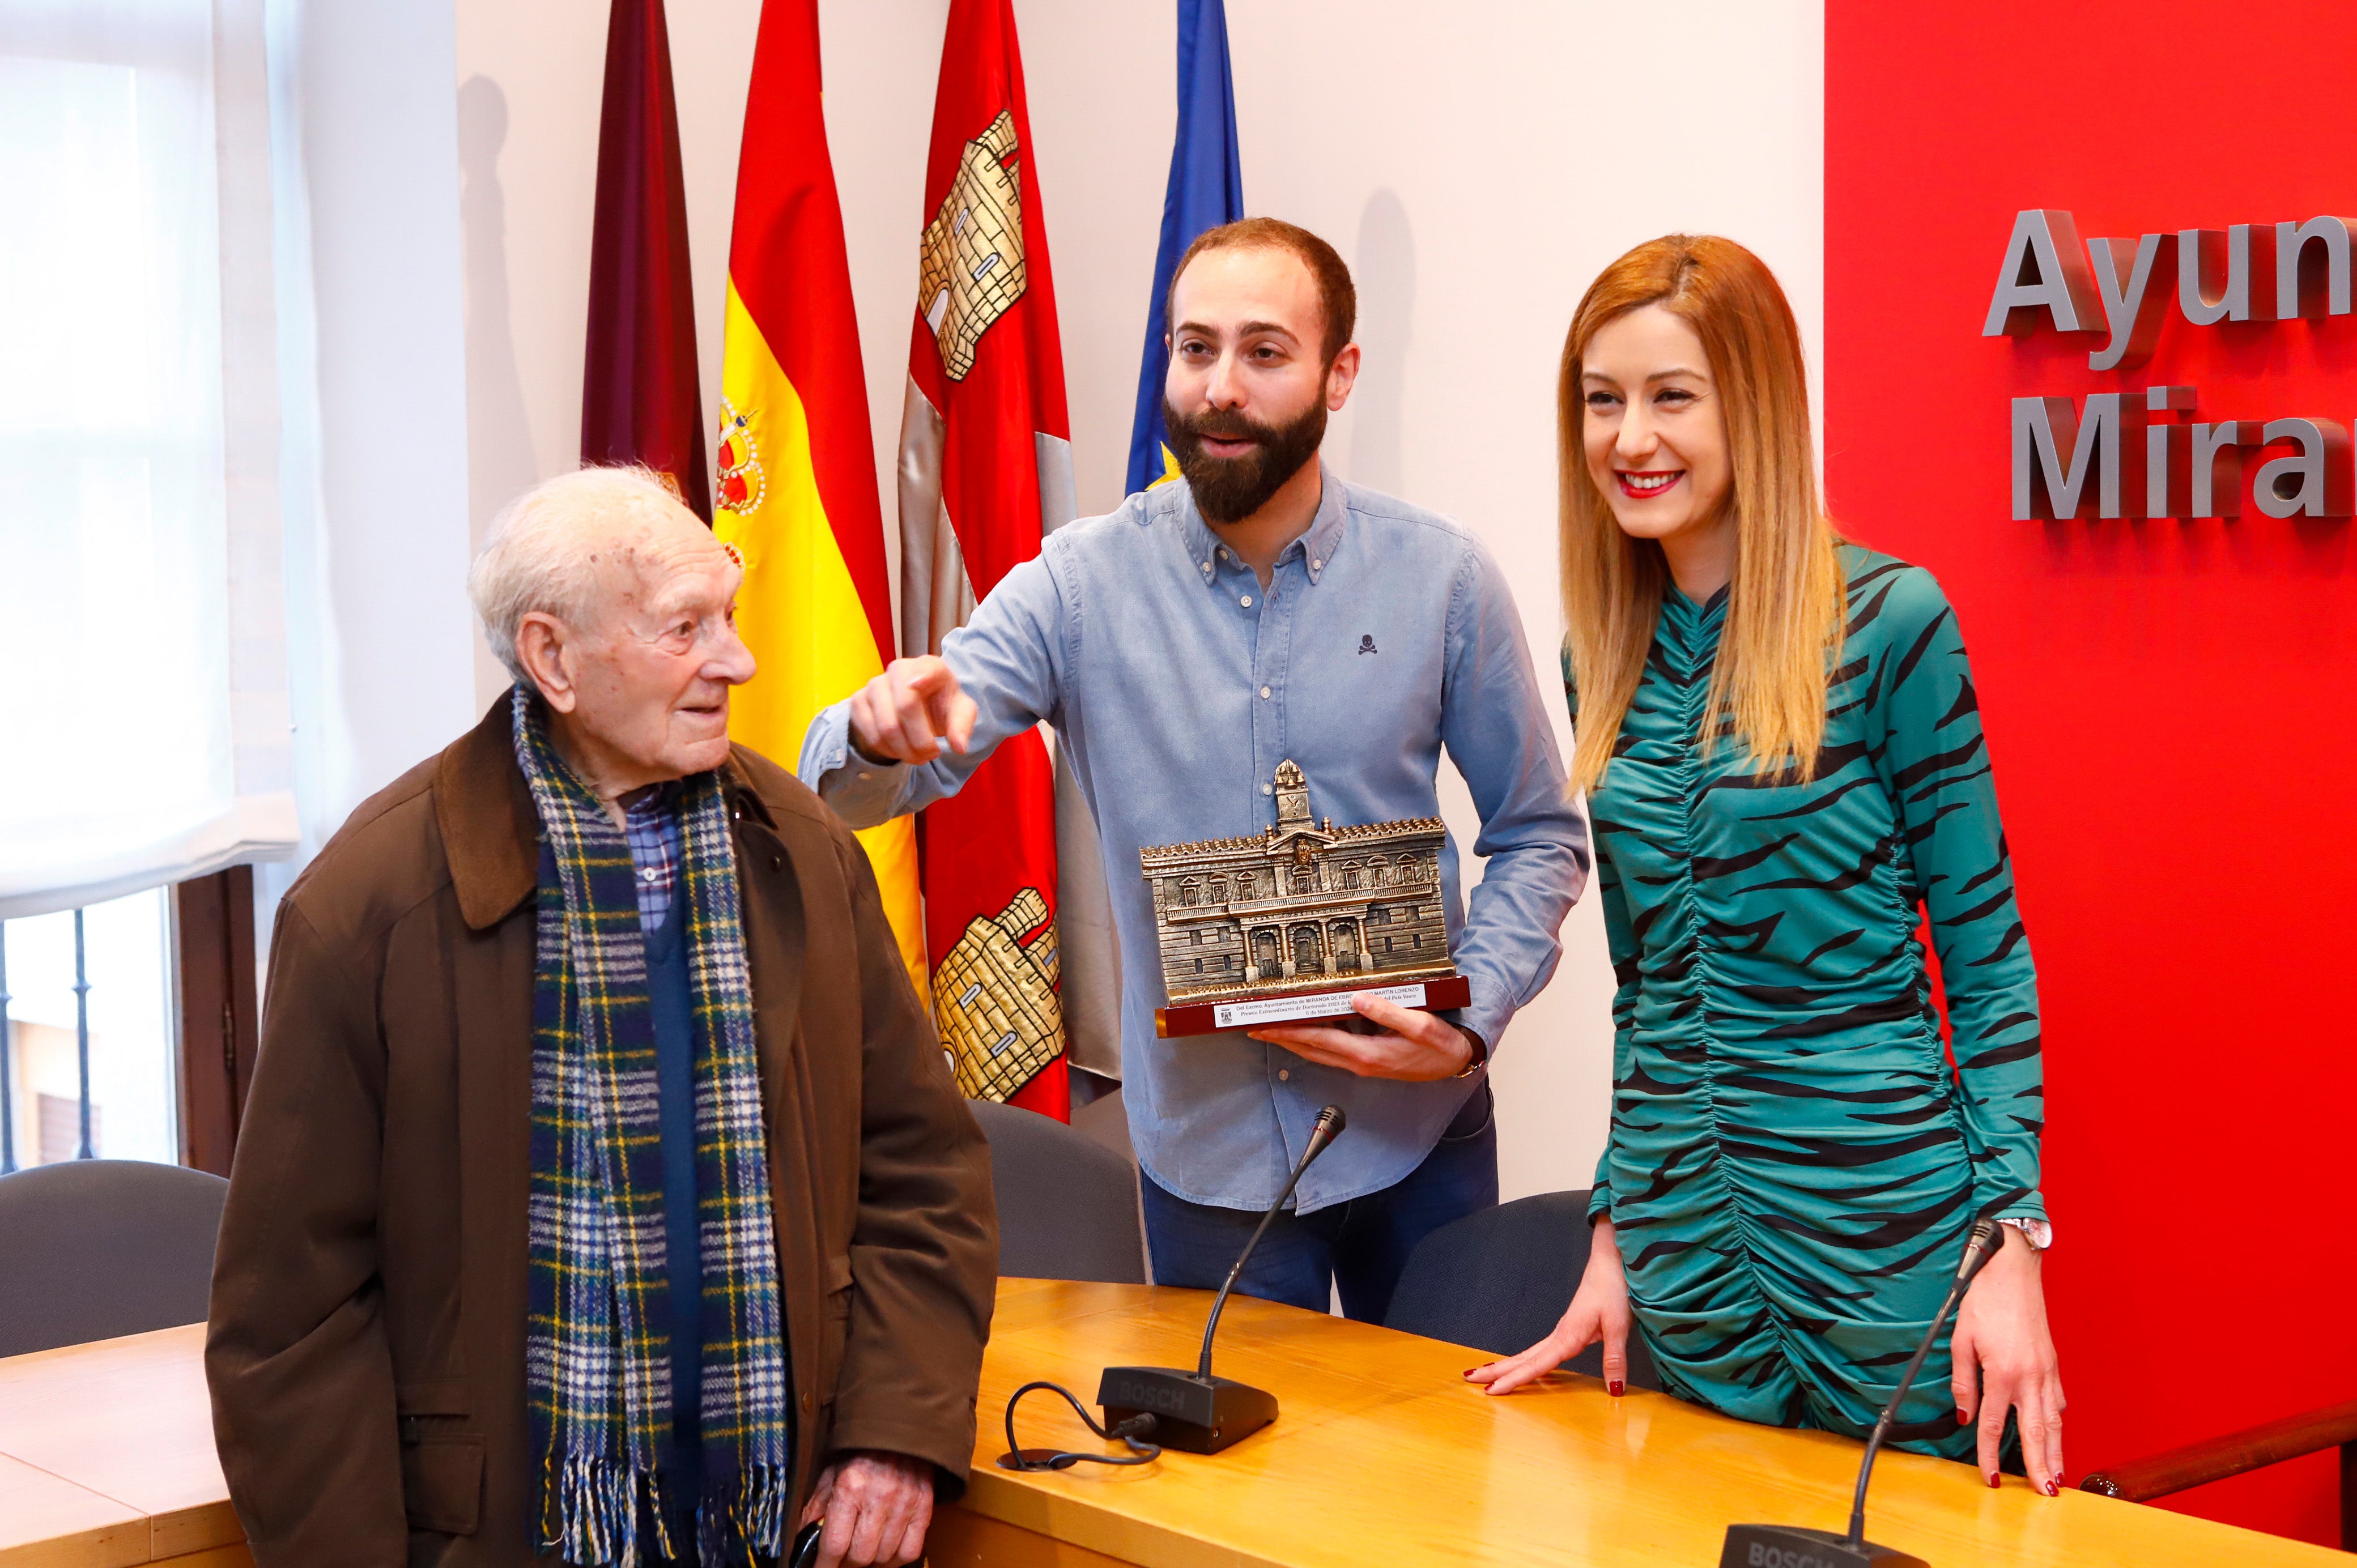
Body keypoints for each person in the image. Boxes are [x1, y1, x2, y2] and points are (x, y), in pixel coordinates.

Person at [206, 467, 996, 1568]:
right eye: (685, 629)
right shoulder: (367, 908)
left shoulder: (804, 852)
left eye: (727, 614)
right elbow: (292, 1319)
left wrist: (894, 1435)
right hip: (494, 1534)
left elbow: (923, 1178)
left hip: (783, 1523)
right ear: (553, 658)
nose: (738, 660)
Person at [803, 218, 1586, 1323]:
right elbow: (854, 788)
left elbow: (1540, 835)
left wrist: (1472, 1016)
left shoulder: (1442, 578)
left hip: (1418, 1142)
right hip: (1207, 1168)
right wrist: (880, 736)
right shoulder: (1076, 586)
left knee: (1439, 1482)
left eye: (1265, 352)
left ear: (1338, 372)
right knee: (1239, 1487)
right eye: (1194, 348)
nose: (1221, 387)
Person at [1466, 235, 2065, 1495]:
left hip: (1884, 1242)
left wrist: (2013, 1249)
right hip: (1690, 1262)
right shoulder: (1603, 655)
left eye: (1671, 394)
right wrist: (1618, 1228)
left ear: (1757, 405)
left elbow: (1988, 956)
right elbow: (1650, 988)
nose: (1631, 436)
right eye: (1601, 398)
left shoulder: (1892, 624)